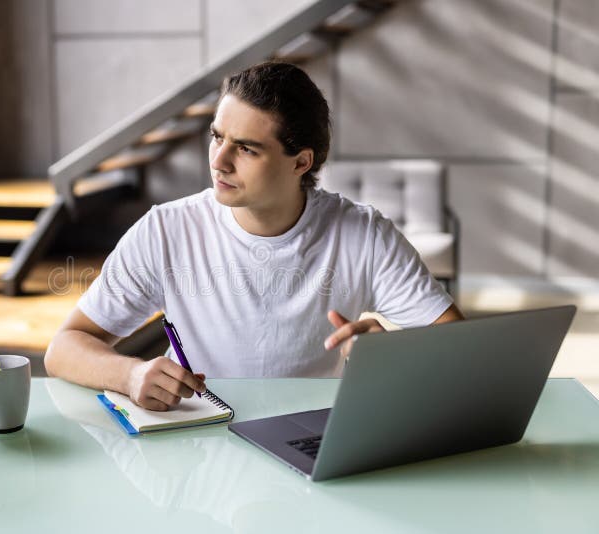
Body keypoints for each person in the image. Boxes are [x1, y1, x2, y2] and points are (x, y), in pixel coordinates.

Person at [44, 62, 464, 410]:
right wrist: (130, 373)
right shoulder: (166, 231)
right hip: (197, 445)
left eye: (246, 148)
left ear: (300, 162)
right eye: (217, 137)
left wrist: (397, 358)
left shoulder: (362, 235)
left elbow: (462, 351)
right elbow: (64, 347)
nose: (219, 162)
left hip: (310, 442)